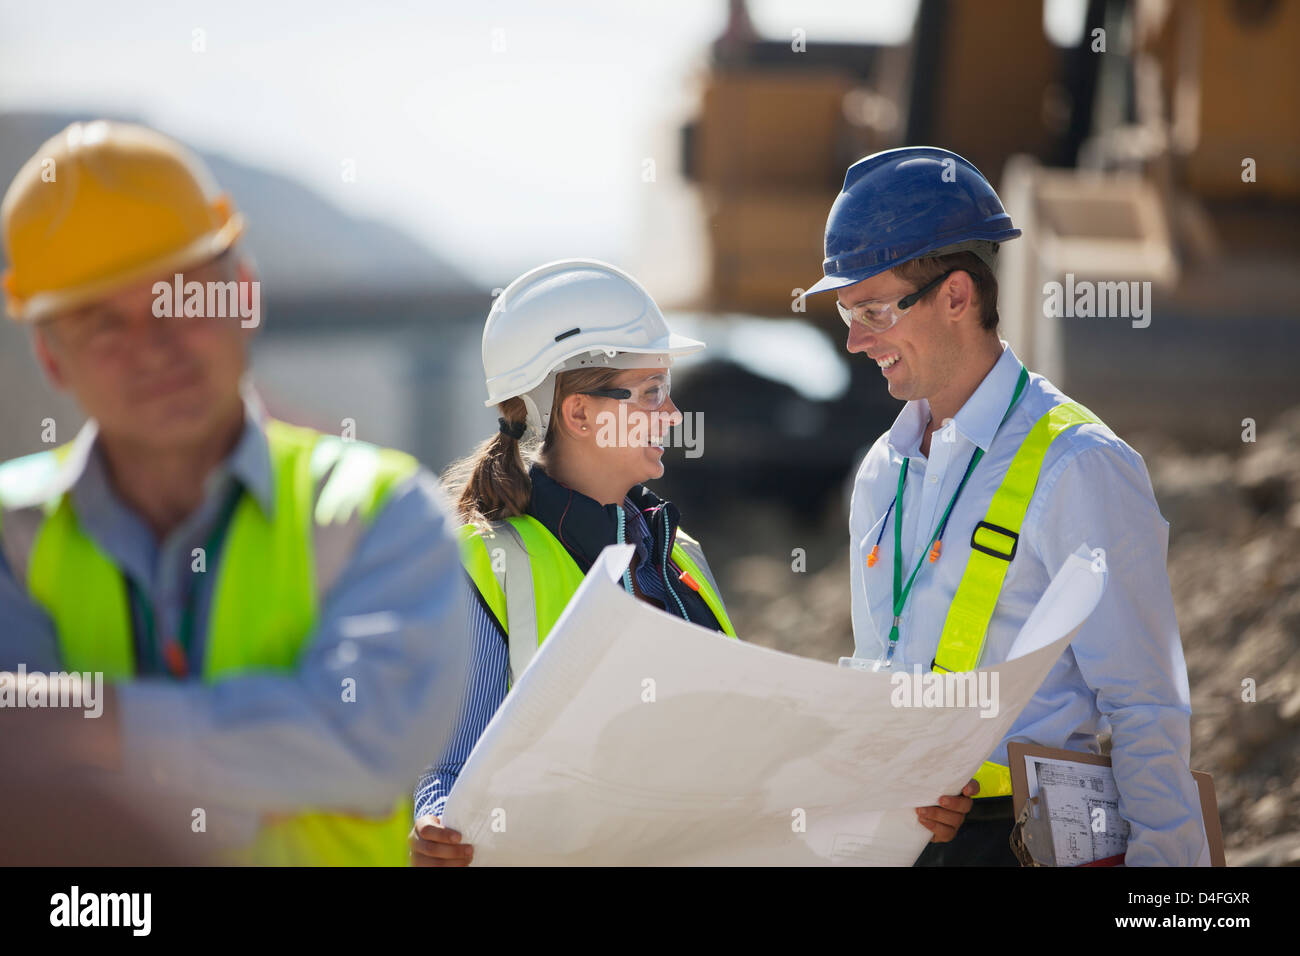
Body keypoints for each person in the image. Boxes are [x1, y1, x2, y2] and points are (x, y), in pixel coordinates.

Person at [0, 120, 469, 865]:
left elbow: (368, 750)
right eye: (104, 326)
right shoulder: (8, 531)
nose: (155, 347)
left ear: (243, 297)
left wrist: (87, 719)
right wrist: (269, 751)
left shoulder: (382, 511)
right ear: (51, 359)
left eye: (181, 300)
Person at [408, 258, 977, 866]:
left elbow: (745, 765)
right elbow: (451, 773)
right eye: (652, 392)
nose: (674, 415)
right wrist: (435, 829)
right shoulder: (483, 564)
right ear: (578, 414)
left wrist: (898, 796)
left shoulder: (679, 556)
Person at [803, 146, 1204, 866]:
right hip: (901, 841)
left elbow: (1146, 705)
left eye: (872, 309)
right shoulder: (881, 472)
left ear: (957, 296)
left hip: (1032, 842)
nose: (856, 340)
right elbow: (881, 669)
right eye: (846, 312)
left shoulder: (1080, 465)